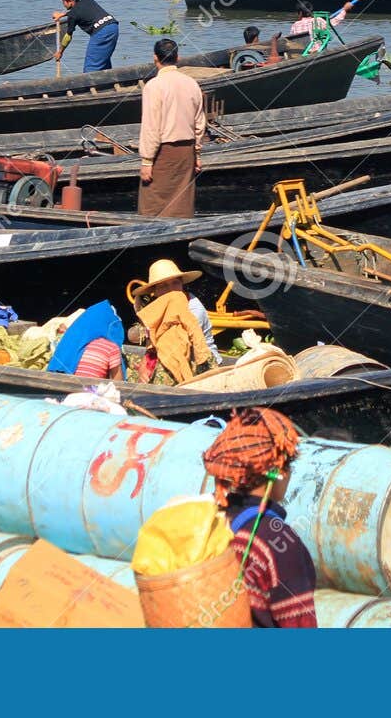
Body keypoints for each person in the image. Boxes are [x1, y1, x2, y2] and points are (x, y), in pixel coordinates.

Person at [202, 408, 317, 628]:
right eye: (288, 465)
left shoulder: (209, 521)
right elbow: (300, 624)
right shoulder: (276, 539)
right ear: (278, 471)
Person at [137, 37, 205, 217]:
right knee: (182, 204)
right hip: (186, 151)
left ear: (155, 58)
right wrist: (197, 154)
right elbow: (199, 123)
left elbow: (151, 127)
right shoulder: (192, 83)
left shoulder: (154, 86)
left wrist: (146, 161)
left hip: (163, 153)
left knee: (152, 205)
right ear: (178, 57)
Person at [127, 258, 213, 385]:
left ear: (182, 284)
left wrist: (147, 365)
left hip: (199, 363)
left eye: (175, 283)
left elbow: (177, 344)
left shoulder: (192, 308)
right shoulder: (158, 305)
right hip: (165, 356)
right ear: (155, 292)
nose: (171, 289)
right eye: (163, 286)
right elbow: (132, 336)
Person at [53, 0, 119, 73]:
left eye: (63, 2)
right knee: (103, 61)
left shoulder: (73, 15)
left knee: (91, 67)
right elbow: (79, 10)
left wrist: (60, 51)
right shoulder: (88, 0)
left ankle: (89, 85)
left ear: (69, 0)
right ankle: (108, 83)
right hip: (113, 26)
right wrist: (62, 14)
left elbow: (68, 37)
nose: (63, 5)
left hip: (101, 32)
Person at [285, 0, 360, 47]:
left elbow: (292, 40)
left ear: (300, 13)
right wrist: (344, 10)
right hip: (316, 52)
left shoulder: (295, 25)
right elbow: (334, 22)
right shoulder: (318, 21)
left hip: (301, 53)